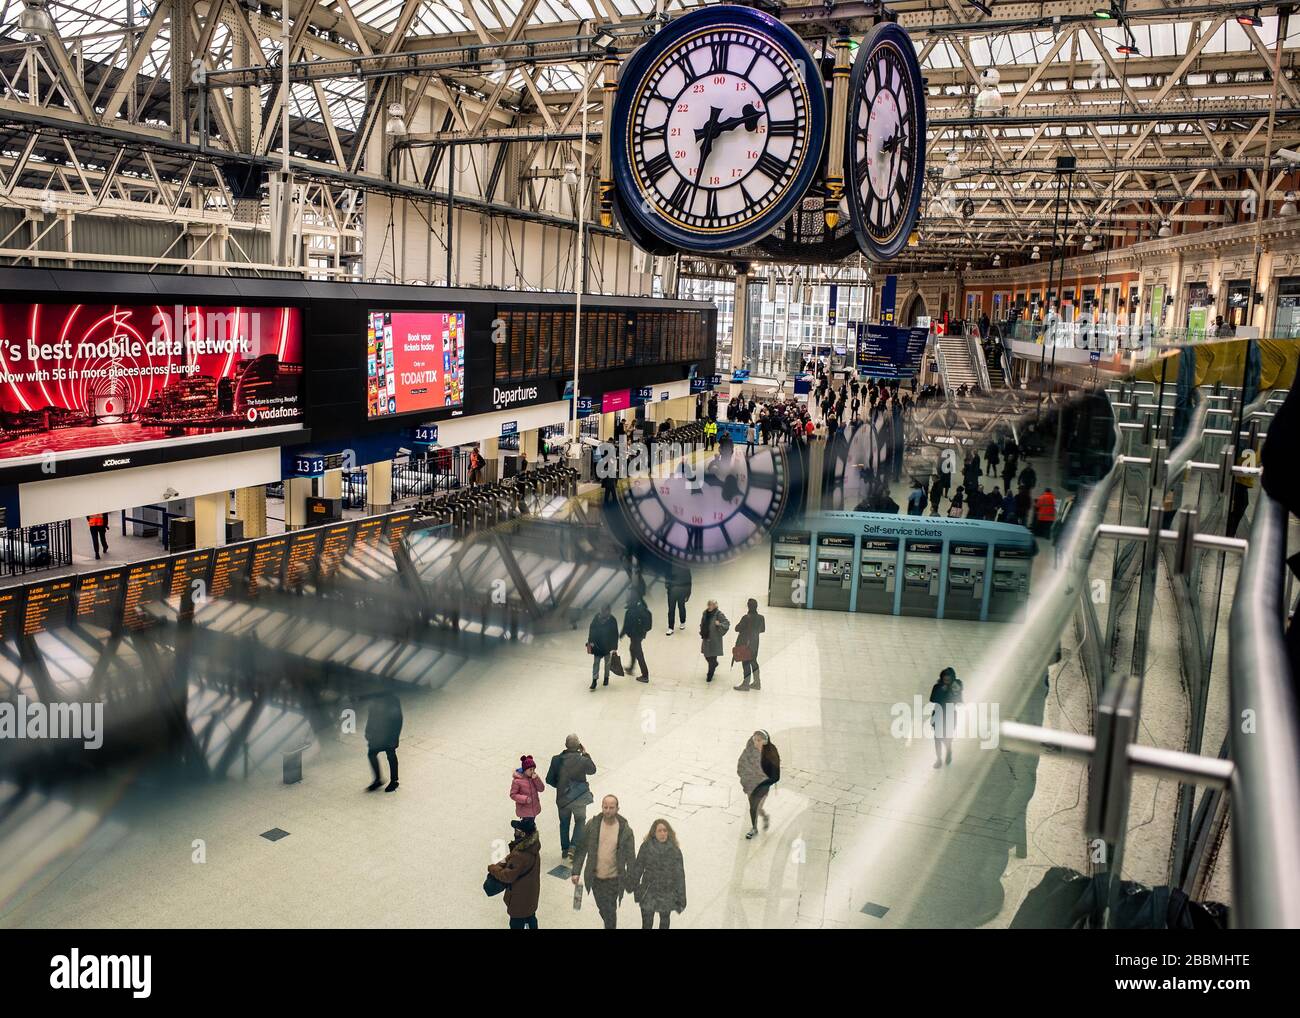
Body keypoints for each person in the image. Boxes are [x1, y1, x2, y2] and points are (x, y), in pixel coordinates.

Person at [570, 794, 636, 929]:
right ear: (602, 807)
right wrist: (576, 871)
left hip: (614, 879)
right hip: (595, 878)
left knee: (610, 911)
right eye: (605, 807)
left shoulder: (625, 831)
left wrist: (631, 878)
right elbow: (581, 849)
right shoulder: (592, 825)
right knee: (603, 908)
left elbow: (630, 857)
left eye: (611, 807)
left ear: (618, 808)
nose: (608, 810)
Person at [546, 735, 597, 860]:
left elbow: (549, 779)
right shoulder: (582, 760)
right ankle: (573, 847)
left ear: (565, 745)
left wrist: (561, 787)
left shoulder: (556, 760)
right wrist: (585, 754)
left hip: (562, 799)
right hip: (579, 798)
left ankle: (564, 849)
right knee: (580, 821)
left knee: (564, 823)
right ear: (579, 746)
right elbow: (593, 770)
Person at [488, 817, 542, 929]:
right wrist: (503, 862)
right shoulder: (533, 847)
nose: (514, 833)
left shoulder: (520, 855)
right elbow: (510, 858)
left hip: (519, 898)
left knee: (516, 923)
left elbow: (507, 876)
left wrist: (493, 868)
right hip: (531, 894)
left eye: (517, 831)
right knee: (530, 917)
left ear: (523, 834)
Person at [633, 820, 687, 930]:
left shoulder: (675, 851)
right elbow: (638, 868)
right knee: (647, 924)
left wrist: (681, 897)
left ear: (669, 832)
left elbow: (680, 876)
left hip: (666, 893)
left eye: (665, 830)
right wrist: (636, 889)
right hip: (648, 892)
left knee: (664, 923)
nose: (662, 833)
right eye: (659, 831)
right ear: (654, 833)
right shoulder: (646, 847)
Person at [737, 730, 781, 839]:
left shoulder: (770, 753)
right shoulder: (748, 751)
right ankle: (754, 828)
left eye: (758, 740)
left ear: (765, 741)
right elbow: (740, 766)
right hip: (750, 784)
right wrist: (747, 778)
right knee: (753, 807)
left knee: (758, 807)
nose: (755, 742)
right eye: (754, 739)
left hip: (763, 785)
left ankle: (765, 816)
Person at [364, 690, 403, 792]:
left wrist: (394, 736)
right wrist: (368, 730)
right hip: (377, 734)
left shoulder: (393, 700)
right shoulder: (375, 699)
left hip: (389, 734)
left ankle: (394, 781)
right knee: (372, 754)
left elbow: (398, 720)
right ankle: (378, 779)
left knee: (390, 754)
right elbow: (371, 716)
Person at [928, 668, 963, 768]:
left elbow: (959, 701)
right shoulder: (937, 687)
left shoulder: (955, 687)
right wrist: (941, 692)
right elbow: (932, 699)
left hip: (950, 715)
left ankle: (948, 751)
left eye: (948, 680)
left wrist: (953, 692)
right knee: (937, 738)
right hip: (938, 714)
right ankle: (938, 759)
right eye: (945, 680)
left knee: (947, 737)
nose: (946, 682)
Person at [732, 598, 765, 691]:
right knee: (754, 661)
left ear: (748, 606)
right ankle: (757, 683)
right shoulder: (761, 618)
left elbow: (737, 628)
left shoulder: (746, 617)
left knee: (746, 662)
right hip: (755, 643)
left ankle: (745, 684)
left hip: (746, 642)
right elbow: (762, 629)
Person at [621, 593, 653, 683]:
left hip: (635, 635)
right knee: (632, 649)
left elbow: (626, 625)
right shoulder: (642, 608)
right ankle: (631, 668)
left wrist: (621, 634)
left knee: (639, 654)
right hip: (640, 634)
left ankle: (645, 675)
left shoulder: (630, 612)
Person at [587, 605, 619, 690]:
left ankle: (606, 678)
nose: (605, 612)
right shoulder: (596, 618)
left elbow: (615, 633)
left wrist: (615, 647)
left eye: (607, 611)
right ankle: (594, 680)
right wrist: (590, 641)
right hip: (597, 645)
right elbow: (591, 630)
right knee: (596, 663)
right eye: (603, 610)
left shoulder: (612, 620)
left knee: (607, 663)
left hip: (607, 646)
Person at [699, 599, 730, 683]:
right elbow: (702, 622)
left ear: (715, 606)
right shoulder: (705, 613)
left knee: (712, 657)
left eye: (712, 605)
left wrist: (719, 624)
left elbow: (726, 623)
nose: (710, 606)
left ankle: (710, 674)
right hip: (706, 637)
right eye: (709, 605)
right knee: (707, 655)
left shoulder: (719, 614)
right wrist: (701, 629)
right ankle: (715, 664)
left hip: (714, 639)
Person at [510, 754, 545, 822]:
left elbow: (541, 789)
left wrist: (536, 779)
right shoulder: (517, 781)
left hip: (534, 807)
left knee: (530, 824)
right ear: (525, 770)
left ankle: (522, 829)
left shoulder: (534, 778)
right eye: (530, 769)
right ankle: (516, 824)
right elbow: (513, 795)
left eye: (534, 769)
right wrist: (525, 799)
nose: (533, 771)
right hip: (524, 809)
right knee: (528, 826)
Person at [665, 562, 691, 636]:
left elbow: (689, 581)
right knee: (671, 610)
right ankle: (671, 628)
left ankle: (682, 622)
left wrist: (688, 593)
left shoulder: (685, 567)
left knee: (681, 607)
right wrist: (667, 585)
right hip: (671, 592)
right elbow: (666, 576)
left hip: (681, 591)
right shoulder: (669, 566)